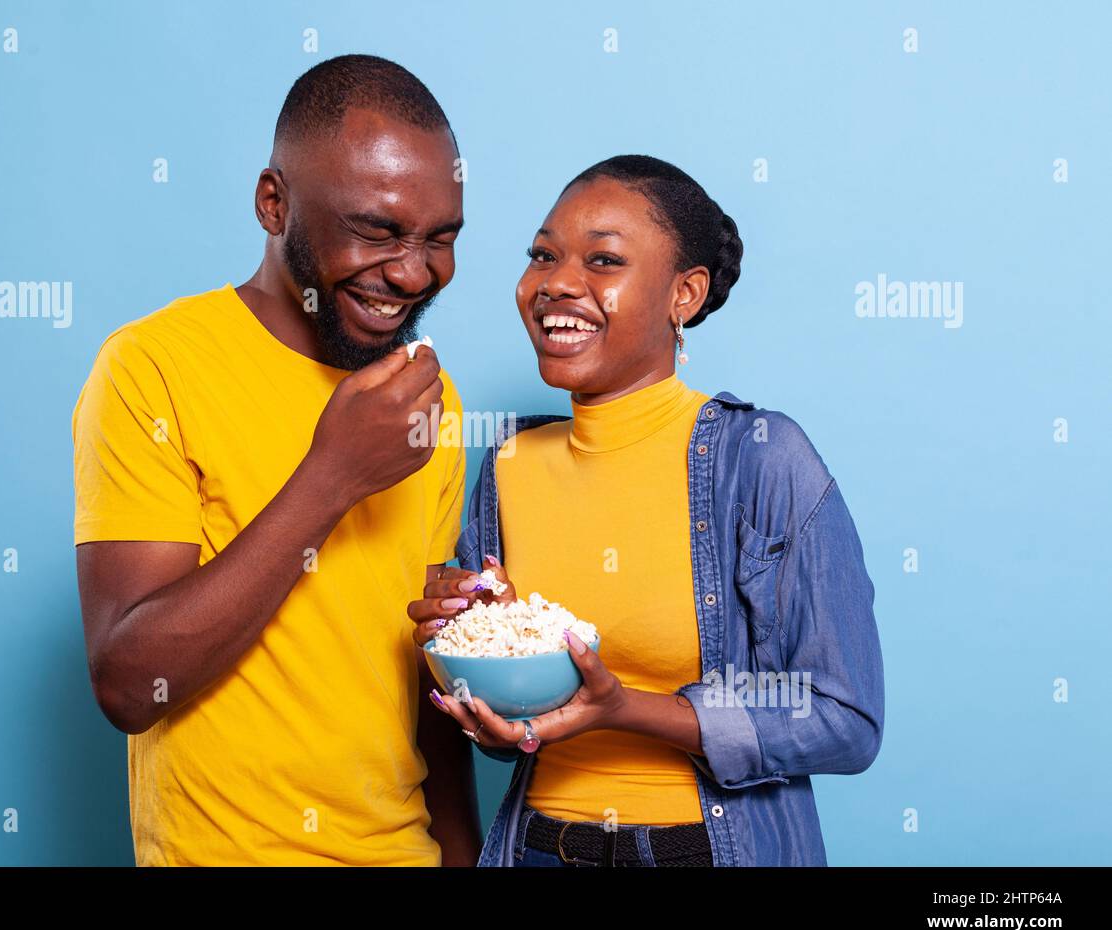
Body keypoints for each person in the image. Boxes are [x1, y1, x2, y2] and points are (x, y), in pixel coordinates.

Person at [410, 155, 884, 866]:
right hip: (535, 848)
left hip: (703, 852)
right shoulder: (507, 463)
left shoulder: (761, 460)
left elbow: (846, 719)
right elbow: (509, 730)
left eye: (604, 260)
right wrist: (476, 661)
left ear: (684, 294)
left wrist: (628, 707)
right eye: (543, 255)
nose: (558, 283)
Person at [72, 55, 481, 866]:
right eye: (377, 230)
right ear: (274, 203)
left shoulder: (430, 402)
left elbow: (423, 686)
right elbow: (128, 683)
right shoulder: (154, 367)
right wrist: (332, 477)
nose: (412, 272)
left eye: (440, 239)